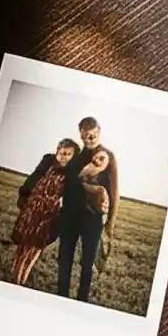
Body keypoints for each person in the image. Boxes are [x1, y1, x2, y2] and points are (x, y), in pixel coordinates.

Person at [56, 117, 120, 302]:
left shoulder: (109, 156)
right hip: (70, 215)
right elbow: (65, 181)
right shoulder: (75, 155)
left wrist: (111, 223)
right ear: (81, 135)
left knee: (87, 264)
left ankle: (81, 302)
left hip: (93, 218)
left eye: (93, 135)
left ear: (99, 131)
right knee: (64, 259)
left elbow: (115, 191)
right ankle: (60, 299)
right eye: (86, 136)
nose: (90, 139)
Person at [10, 138, 79, 286]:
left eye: (68, 154)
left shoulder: (71, 174)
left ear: (73, 156)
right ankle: (14, 282)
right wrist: (23, 193)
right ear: (56, 152)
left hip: (48, 216)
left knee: (35, 251)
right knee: (23, 250)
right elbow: (33, 177)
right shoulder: (47, 164)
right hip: (33, 211)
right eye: (61, 153)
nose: (63, 157)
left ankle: (21, 282)